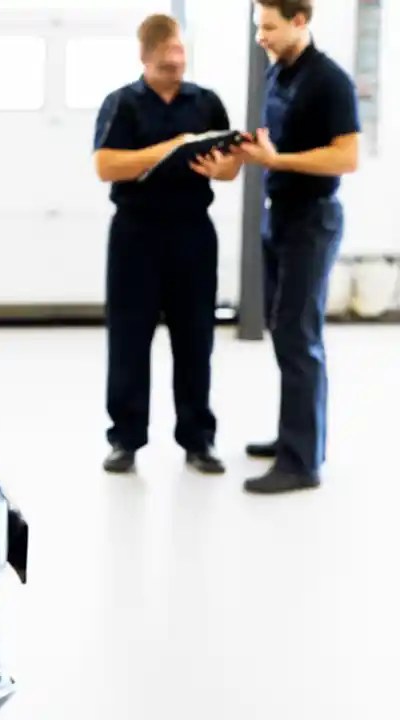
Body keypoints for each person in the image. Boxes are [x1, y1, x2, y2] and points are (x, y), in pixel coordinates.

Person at [92, 14, 241, 476]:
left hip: (193, 232)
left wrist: (222, 169)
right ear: (145, 57)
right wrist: (172, 146)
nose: (175, 65)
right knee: (130, 338)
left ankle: (198, 439)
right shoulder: (122, 104)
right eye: (165, 61)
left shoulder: (207, 102)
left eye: (179, 56)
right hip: (136, 234)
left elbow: (232, 166)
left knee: (196, 338)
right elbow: (107, 165)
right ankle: (126, 439)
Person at [233, 0, 360, 494]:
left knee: (299, 336)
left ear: (300, 22)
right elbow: (277, 145)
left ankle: (301, 462)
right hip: (279, 216)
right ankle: (296, 438)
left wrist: (278, 161)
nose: (260, 36)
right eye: (256, 26)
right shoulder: (278, 74)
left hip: (312, 221)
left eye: (269, 27)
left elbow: (345, 157)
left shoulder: (329, 80)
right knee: (284, 332)